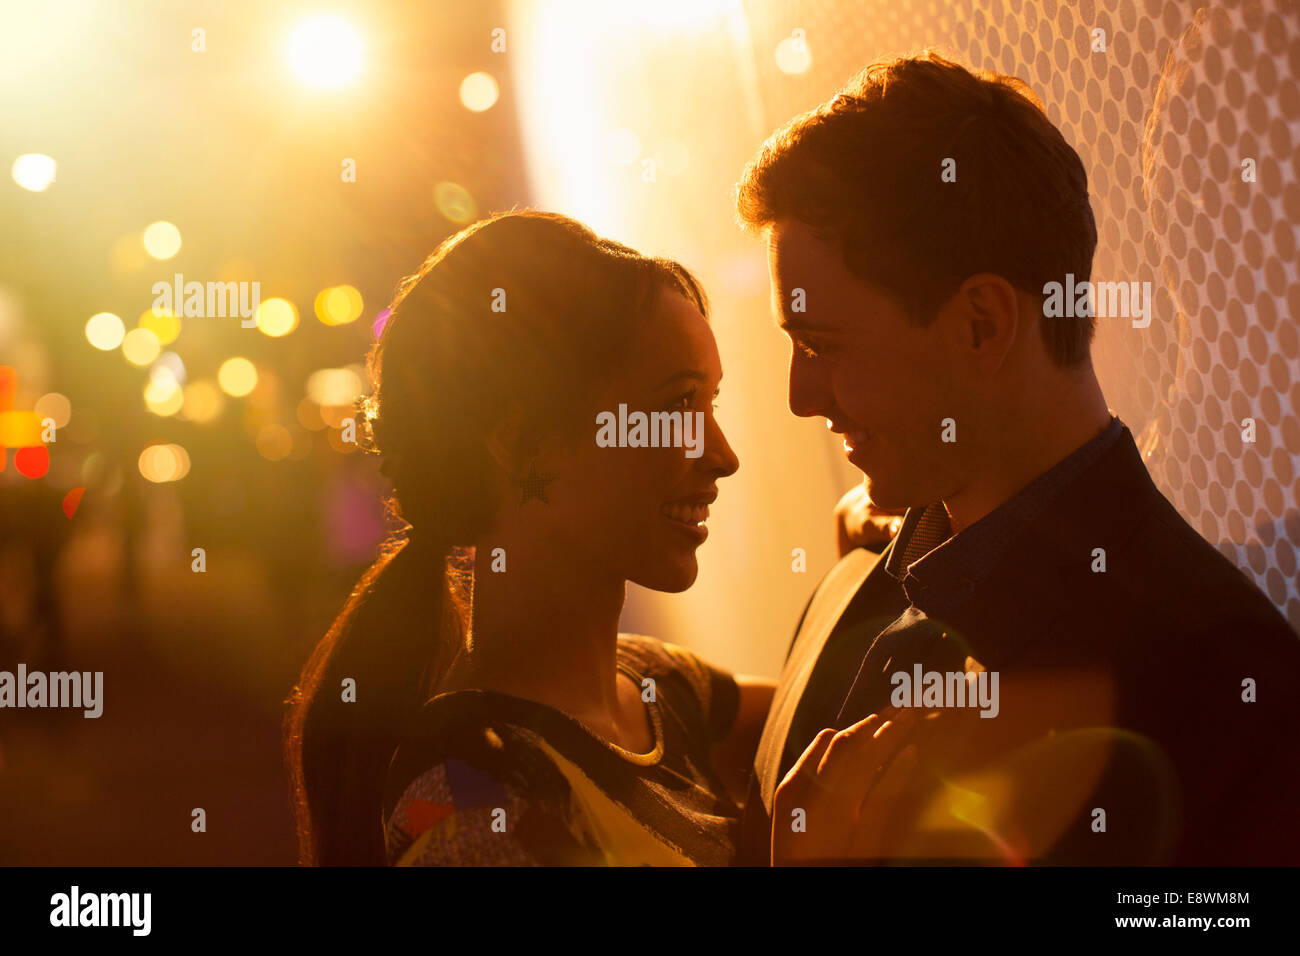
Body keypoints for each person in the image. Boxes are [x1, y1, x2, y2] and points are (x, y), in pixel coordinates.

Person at [733, 52, 1300, 865]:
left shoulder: (1223, 685)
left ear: (981, 326)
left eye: (823, 344)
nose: (799, 395)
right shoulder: (881, 582)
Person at [283, 210, 775, 866]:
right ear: (521, 444)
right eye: (675, 407)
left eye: (711, 404)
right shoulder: (470, 804)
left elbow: (843, 705)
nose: (721, 454)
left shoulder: (660, 687)